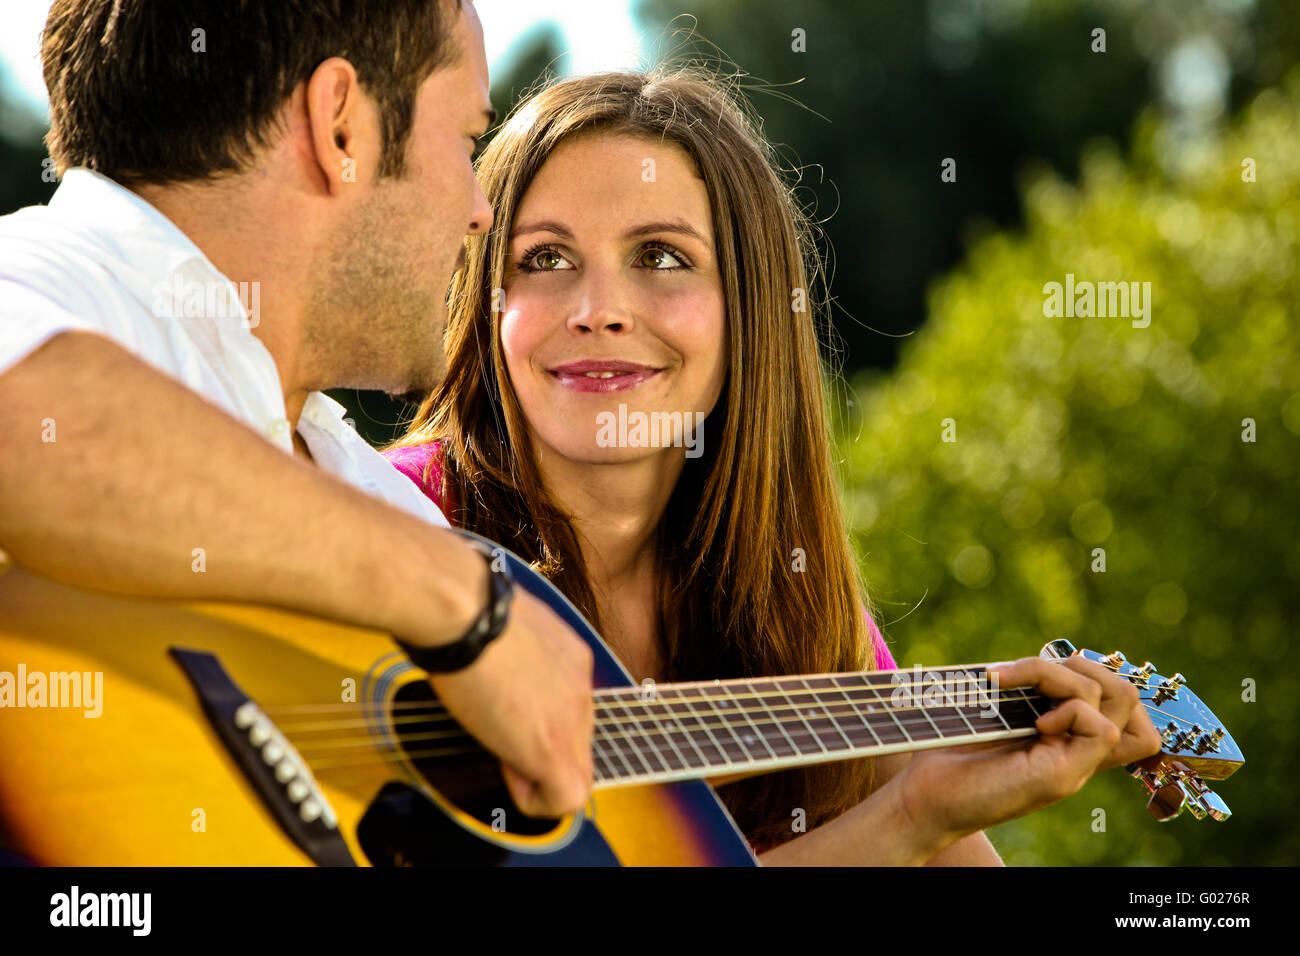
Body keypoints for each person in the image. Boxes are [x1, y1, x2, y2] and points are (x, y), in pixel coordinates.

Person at [384, 68, 1162, 864]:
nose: (598, 309)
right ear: (489, 299)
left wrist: (934, 808)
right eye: (545, 258)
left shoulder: (796, 610)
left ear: (749, 306)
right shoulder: (387, 516)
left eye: (659, 255)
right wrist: (908, 822)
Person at [0, 0, 593, 826]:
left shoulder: (388, 508)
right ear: (342, 126)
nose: (480, 210)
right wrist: (460, 604)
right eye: (465, 140)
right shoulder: (32, 276)